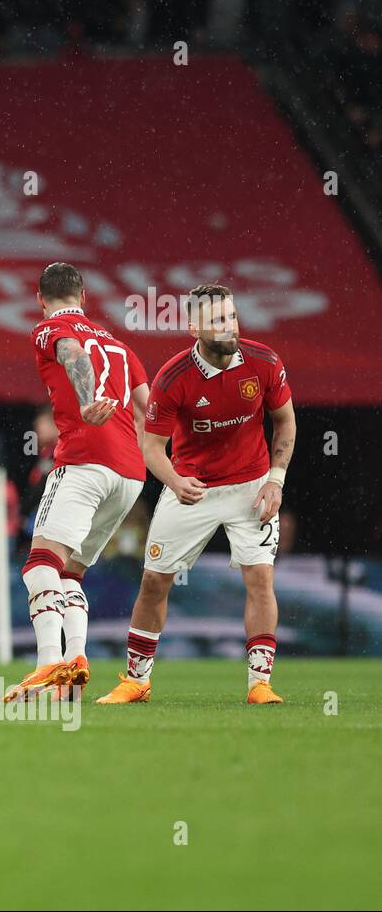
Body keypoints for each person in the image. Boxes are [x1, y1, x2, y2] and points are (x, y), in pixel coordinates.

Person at [99, 285, 295, 705]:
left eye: (232, 317)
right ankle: (136, 681)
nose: (229, 327)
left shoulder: (264, 362)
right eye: (217, 320)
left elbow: (285, 422)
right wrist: (174, 481)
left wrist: (275, 479)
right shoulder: (173, 378)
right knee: (154, 581)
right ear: (194, 328)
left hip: (251, 487)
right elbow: (152, 447)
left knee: (260, 577)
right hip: (192, 488)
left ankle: (260, 684)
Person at [4, 262, 149, 703]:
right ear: (84, 296)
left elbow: (72, 353)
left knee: (39, 564)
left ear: (39, 299)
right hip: (130, 474)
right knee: (71, 573)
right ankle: (74, 668)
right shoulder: (120, 346)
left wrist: (87, 403)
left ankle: (49, 661)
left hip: (84, 460)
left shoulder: (49, 329)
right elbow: (150, 408)